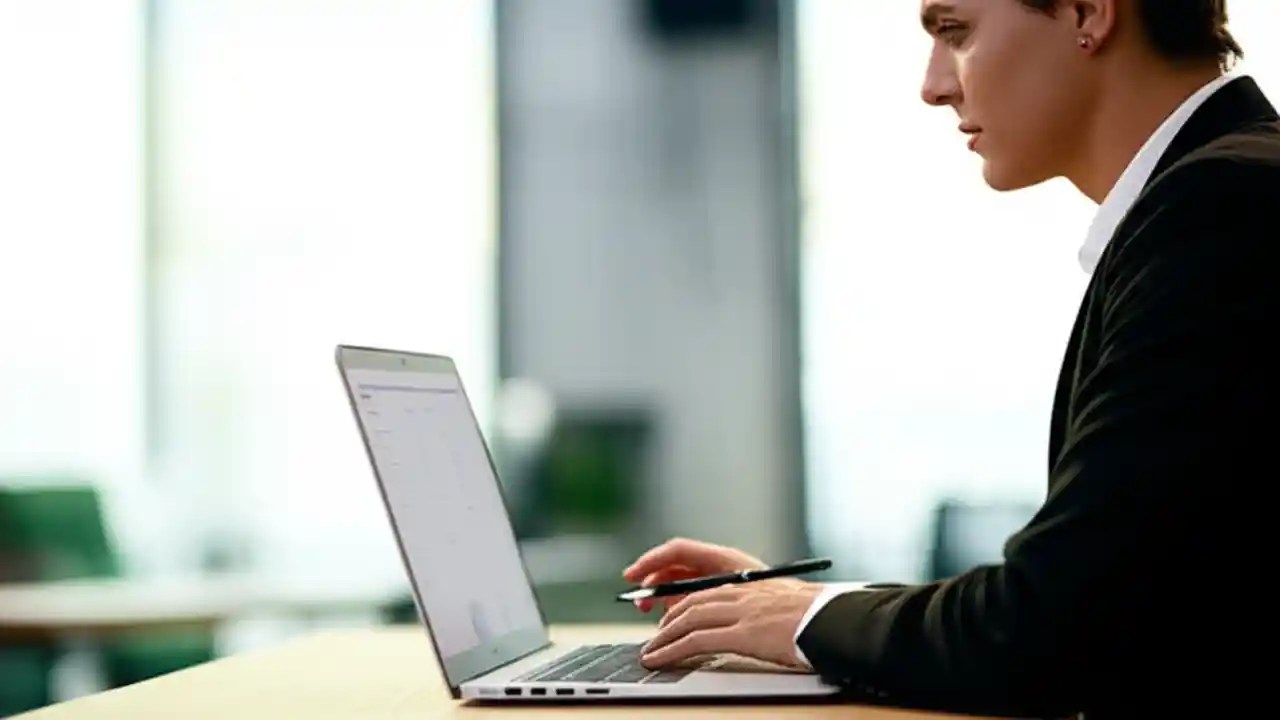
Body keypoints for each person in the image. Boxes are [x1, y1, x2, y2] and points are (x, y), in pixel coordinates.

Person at [623, 1, 1278, 717]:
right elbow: (1117, 592)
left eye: (955, 31)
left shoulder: (1223, 209)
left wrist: (808, 619)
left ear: (1089, 12)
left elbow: (1053, 630)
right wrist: (801, 611)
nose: (934, 85)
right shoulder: (1220, 192)